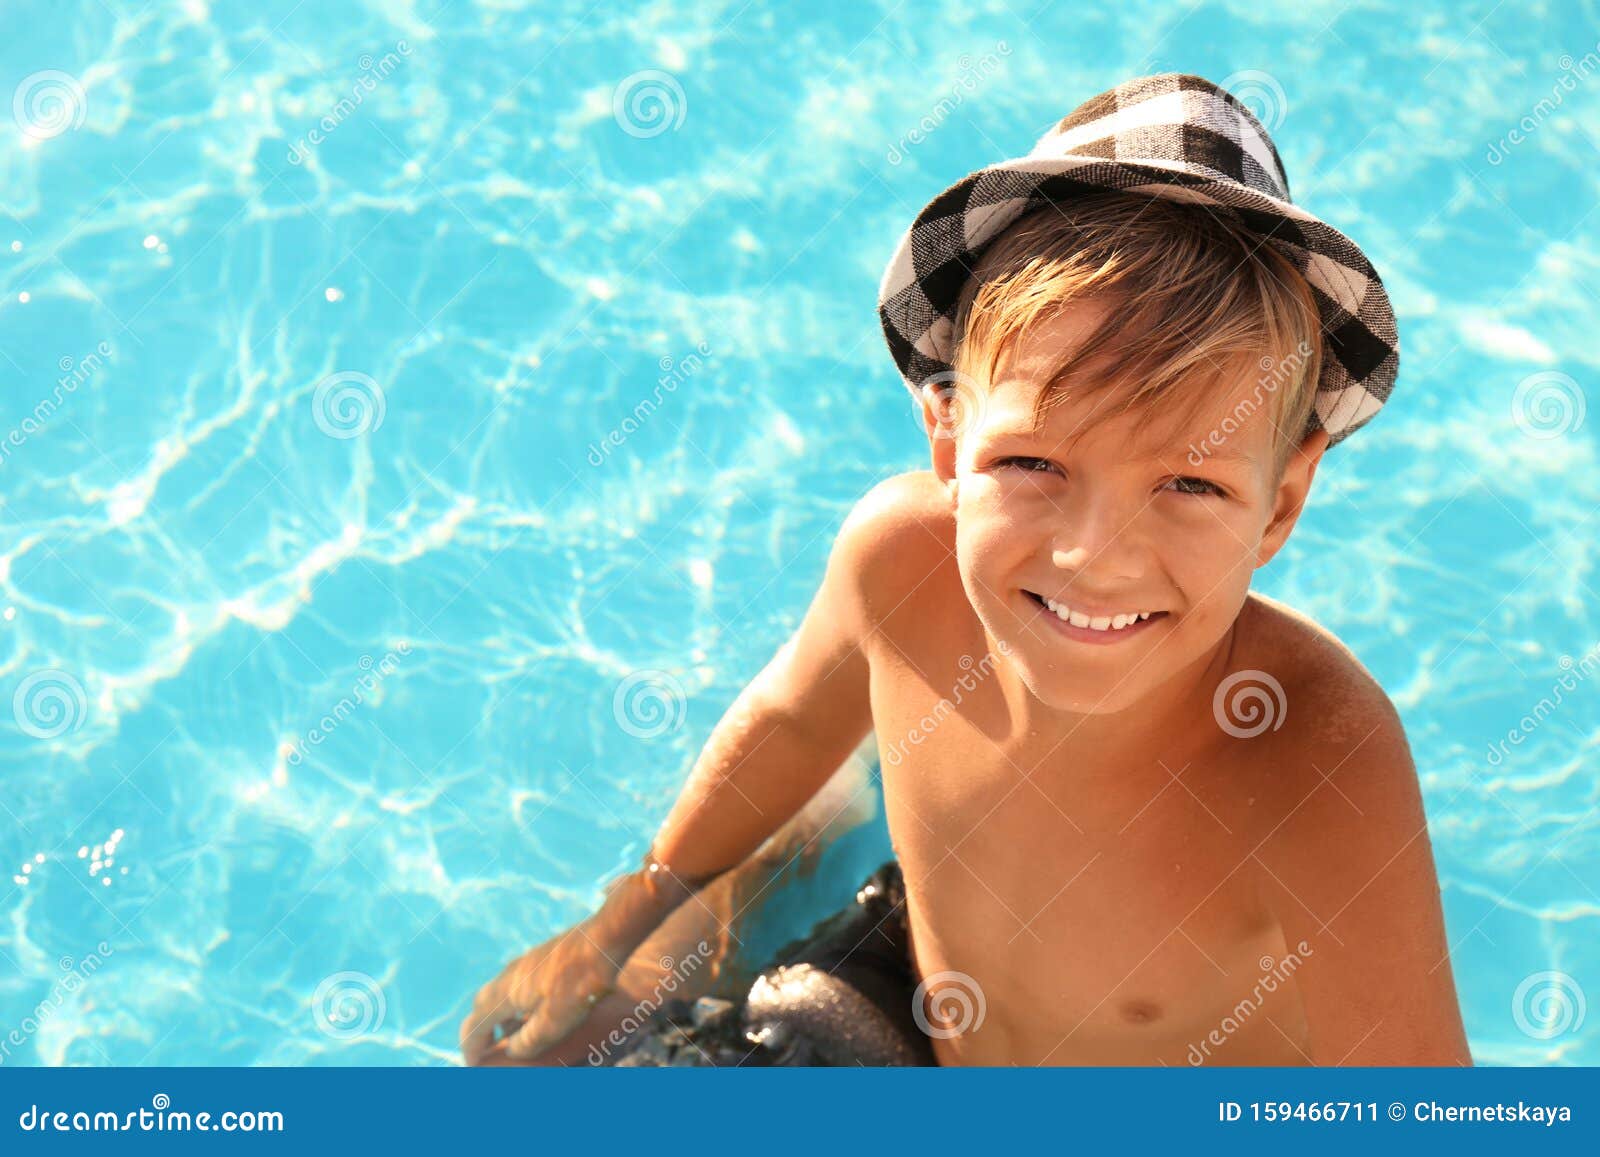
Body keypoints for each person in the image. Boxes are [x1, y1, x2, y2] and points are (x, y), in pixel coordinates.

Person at [460, 72, 1471, 1067]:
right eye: (1032, 463)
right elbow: (791, 720)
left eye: (1189, 486)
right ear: (946, 436)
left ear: (1281, 504)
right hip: (912, 997)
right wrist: (617, 928)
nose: (1091, 555)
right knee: (563, 1061)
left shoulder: (1311, 756)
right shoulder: (899, 561)